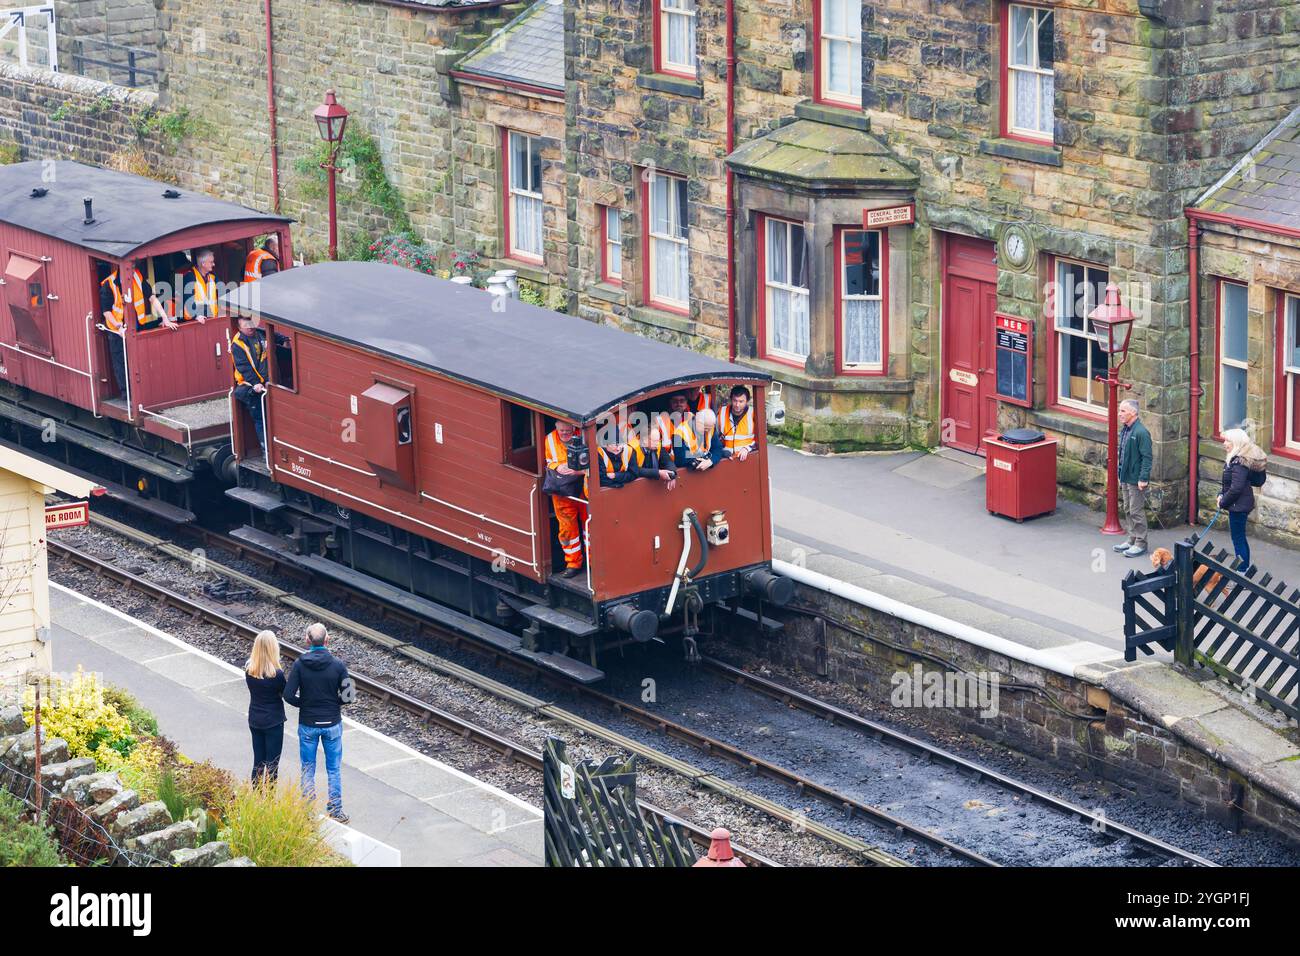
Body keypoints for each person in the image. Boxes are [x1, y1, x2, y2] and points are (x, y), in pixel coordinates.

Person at [284, 623, 351, 823]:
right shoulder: (339, 664)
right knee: (333, 768)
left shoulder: (299, 664)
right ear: (327, 640)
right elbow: (349, 695)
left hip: (308, 724)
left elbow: (288, 695)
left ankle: (307, 812)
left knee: (308, 768)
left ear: (307, 640)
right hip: (332, 724)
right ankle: (336, 810)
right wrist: (334, 705)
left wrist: (304, 704)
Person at [98, 265, 170, 397]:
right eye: (129, 267)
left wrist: (165, 317)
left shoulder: (137, 276)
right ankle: (127, 394)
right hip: (117, 330)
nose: (132, 269)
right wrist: (118, 327)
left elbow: (152, 298)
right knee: (121, 361)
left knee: (139, 357)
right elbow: (106, 311)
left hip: (137, 326)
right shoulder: (109, 284)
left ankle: (143, 390)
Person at [1218, 428, 1267, 573]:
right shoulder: (1236, 459)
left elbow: (1236, 488)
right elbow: (1229, 484)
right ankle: (1243, 568)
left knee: (1238, 538)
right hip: (1239, 504)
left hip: (1238, 506)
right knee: (1239, 537)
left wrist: (1222, 502)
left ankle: (1242, 571)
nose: (1224, 444)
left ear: (1236, 443)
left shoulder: (1239, 463)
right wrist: (1221, 494)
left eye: (1227, 441)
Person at [545, 420, 586, 577]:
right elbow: (548, 462)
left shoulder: (583, 436)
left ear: (574, 428)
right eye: (562, 430)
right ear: (556, 428)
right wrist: (558, 467)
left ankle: (592, 561)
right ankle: (573, 563)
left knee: (589, 527)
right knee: (567, 529)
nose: (565, 433)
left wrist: (578, 471)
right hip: (562, 491)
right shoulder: (549, 440)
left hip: (583, 488)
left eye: (568, 431)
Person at [1112, 398, 1152, 558]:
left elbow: (1147, 457)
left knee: (1136, 510)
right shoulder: (1126, 430)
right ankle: (1132, 539)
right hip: (1125, 476)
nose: (1120, 414)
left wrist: (1143, 478)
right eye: (1120, 410)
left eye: (1123, 411)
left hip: (1136, 479)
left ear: (1133, 413)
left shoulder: (1141, 432)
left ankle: (1141, 543)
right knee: (1127, 509)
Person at [245, 630, 286, 782]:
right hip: (273, 722)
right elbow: (285, 694)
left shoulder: (250, 671)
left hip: (255, 719)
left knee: (258, 762)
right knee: (272, 764)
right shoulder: (277, 674)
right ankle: (268, 800)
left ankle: (256, 796)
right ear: (273, 648)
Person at [231, 314, 269, 450]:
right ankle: (266, 450)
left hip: (266, 382)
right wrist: (256, 383)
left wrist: (284, 340)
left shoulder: (260, 334)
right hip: (251, 386)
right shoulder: (238, 344)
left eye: (251, 324)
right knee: (260, 418)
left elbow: (273, 335)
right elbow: (243, 367)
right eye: (246, 326)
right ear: (239, 328)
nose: (250, 328)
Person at [674, 406, 726, 472]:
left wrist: (710, 461)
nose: (707, 431)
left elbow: (718, 448)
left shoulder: (709, 428)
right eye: (705, 428)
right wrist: (704, 460)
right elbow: (681, 460)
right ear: (697, 422)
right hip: (686, 474)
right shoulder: (679, 433)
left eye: (709, 428)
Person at [719, 385, 757, 461]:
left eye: (741, 401)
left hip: (747, 457)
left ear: (747, 401)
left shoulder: (753, 413)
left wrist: (747, 448)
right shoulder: (721, 412)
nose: (737, 405)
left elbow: (761, 439)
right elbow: (714, 436)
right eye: (735, 400)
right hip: (726, 459)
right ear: (731, 400)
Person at [183, 248, 217, 322]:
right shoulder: (189, 277)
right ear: (203, 264)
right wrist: (196, 315)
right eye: (211, 262)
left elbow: (224, 293)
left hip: (212, 319)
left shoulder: (212, 276)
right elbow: (187, 300)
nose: (213, 264)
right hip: (196, 322)